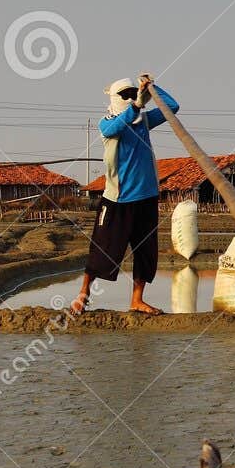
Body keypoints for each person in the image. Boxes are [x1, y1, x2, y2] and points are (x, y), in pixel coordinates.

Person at [71, 74, 179, 316]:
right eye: (126, 95)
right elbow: (114, 128)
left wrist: (152, 87)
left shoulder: (143, 122)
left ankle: (137, 300)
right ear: (115, 98)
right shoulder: (107, 123)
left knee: (145, 252)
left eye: (133, 93)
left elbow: (172, 107)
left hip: (147, 198)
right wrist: (138, 104)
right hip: (118, 200)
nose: (131, 98)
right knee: (103, 248)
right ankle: (83, 293)